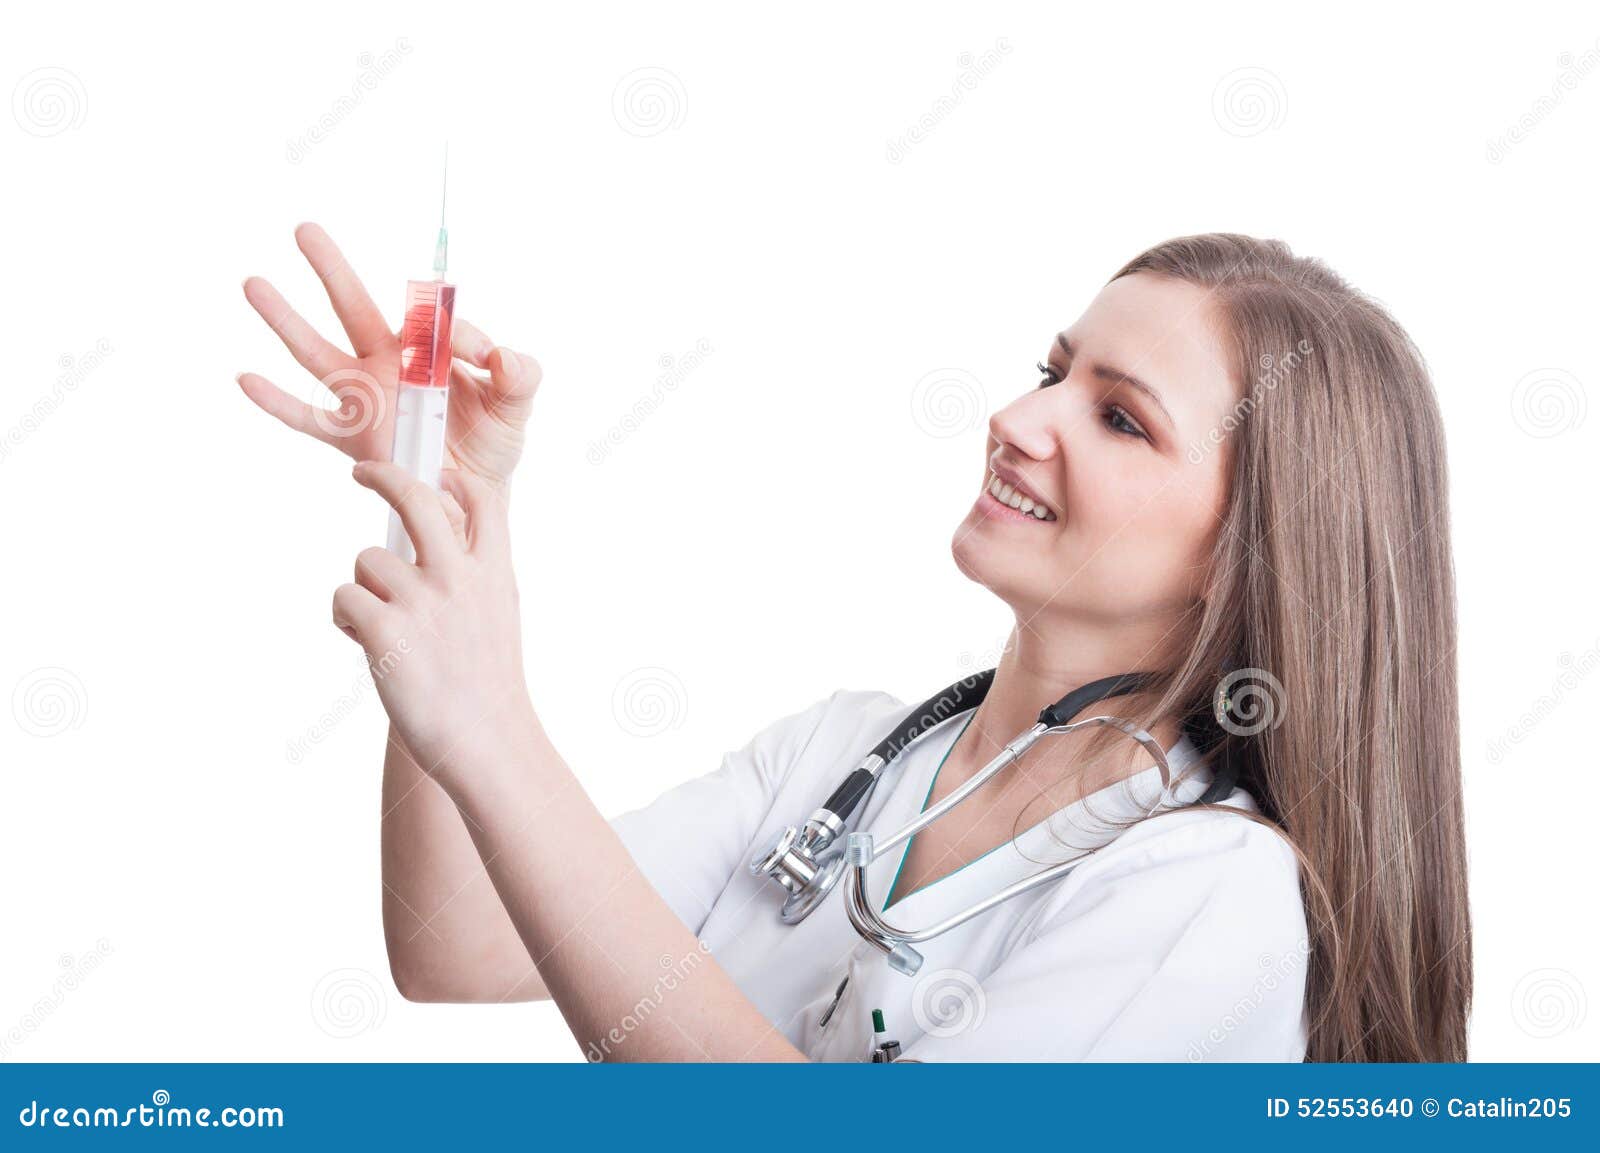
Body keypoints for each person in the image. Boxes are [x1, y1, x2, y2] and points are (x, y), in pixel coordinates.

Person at [239, 227, 1471, 1061]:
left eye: (1116, 417)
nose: (1017, 418)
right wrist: (450, 506)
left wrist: (494, 725)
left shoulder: (1205, 891)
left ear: (1245, 550)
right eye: (1050, 370)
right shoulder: (841, 757)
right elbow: (459, 941)